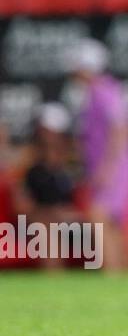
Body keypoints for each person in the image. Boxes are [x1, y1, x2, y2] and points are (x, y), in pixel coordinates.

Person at [68, 39, 128, 271]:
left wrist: (107, 168)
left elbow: (122, 129)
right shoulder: (97, 93)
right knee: (116, 223)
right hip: (113, 166)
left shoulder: (104, 91)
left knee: (98, 217)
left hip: (116, 168)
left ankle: (112, 274)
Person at [11, 103, 82, 270]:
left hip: (69, 221)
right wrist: (51, 213)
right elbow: (22, 207)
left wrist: (67, 214)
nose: (47, 136)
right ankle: (55, 282)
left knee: (100, 226)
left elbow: (80, 203)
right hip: (35, 222)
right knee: (46, 226)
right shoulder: (27, 163)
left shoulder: (72, 164)